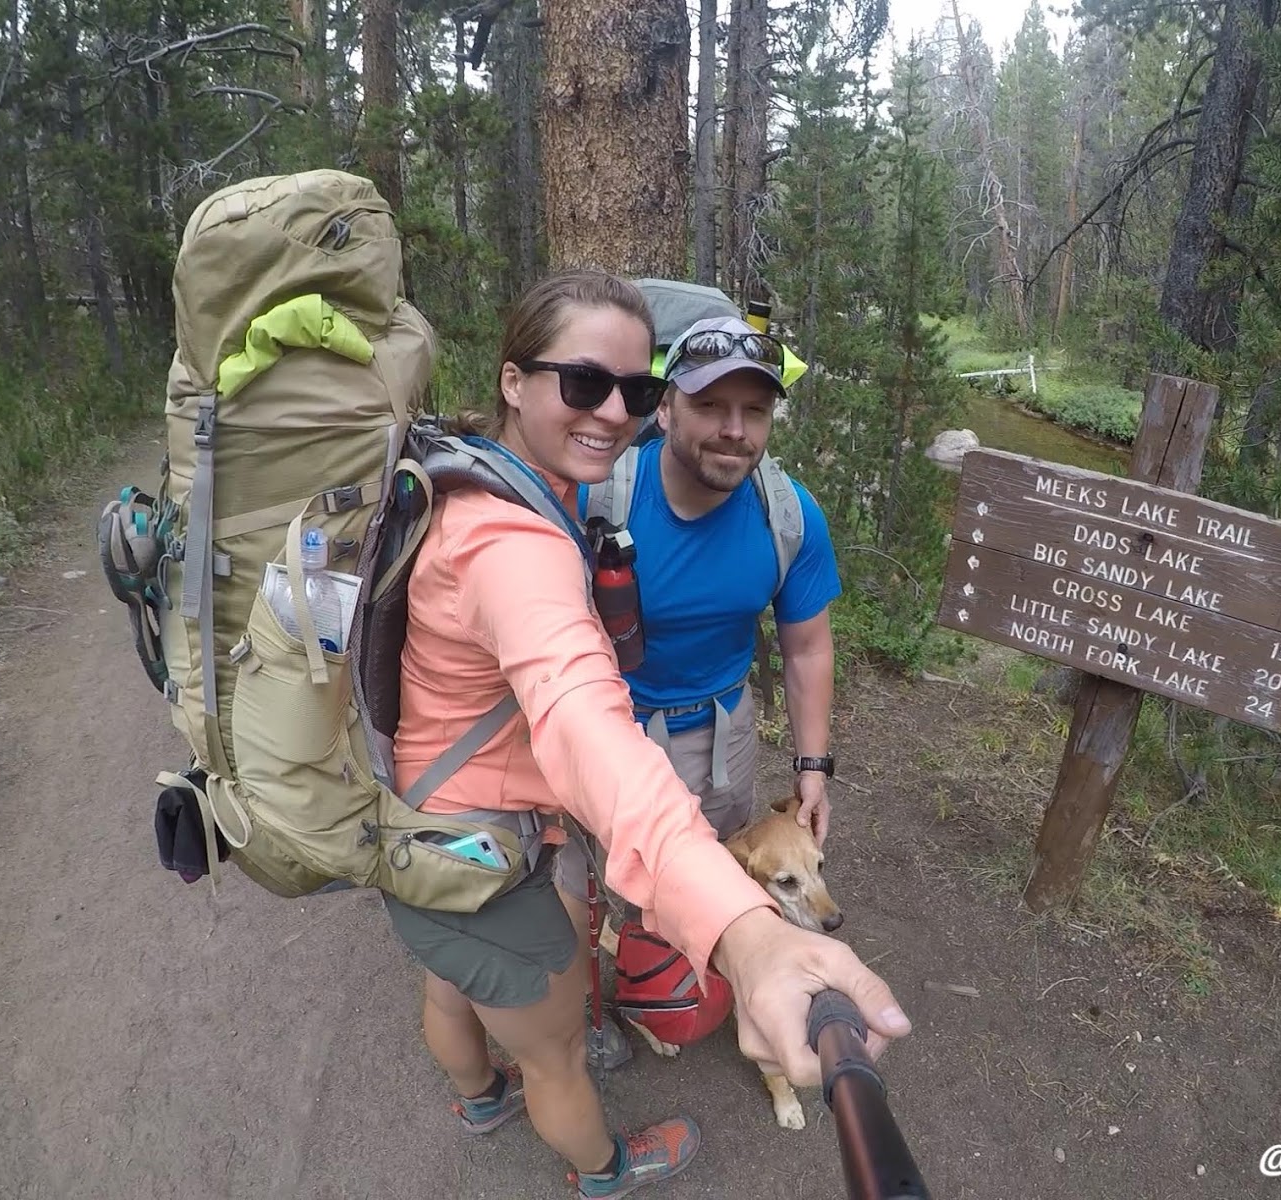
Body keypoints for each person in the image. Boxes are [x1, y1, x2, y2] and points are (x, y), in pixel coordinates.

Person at [382, 269, 908, 1199]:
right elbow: (588, 727)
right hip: (510, 812)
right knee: (551, 1040)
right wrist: (747, 937)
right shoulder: (539, 529)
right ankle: (602, 1166)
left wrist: (812, 763)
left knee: (455, 973)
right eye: (586, 385)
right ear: (514, 382)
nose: (611, 413)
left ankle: (477, 1094)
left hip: (432, 819)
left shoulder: (490, 477)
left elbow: (806, 638)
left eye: (626, 390)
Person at [561, 316, 840, 948]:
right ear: (665, 410)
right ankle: (586, 985)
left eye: (755, 410)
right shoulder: (599, 498)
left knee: (708, 866)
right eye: (710, 405)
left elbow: (807, 646)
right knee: (588, 870)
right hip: (605, 731)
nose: (735, 430)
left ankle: (669, 983)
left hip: (720, 734)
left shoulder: (789, 516)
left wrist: (812, 768)